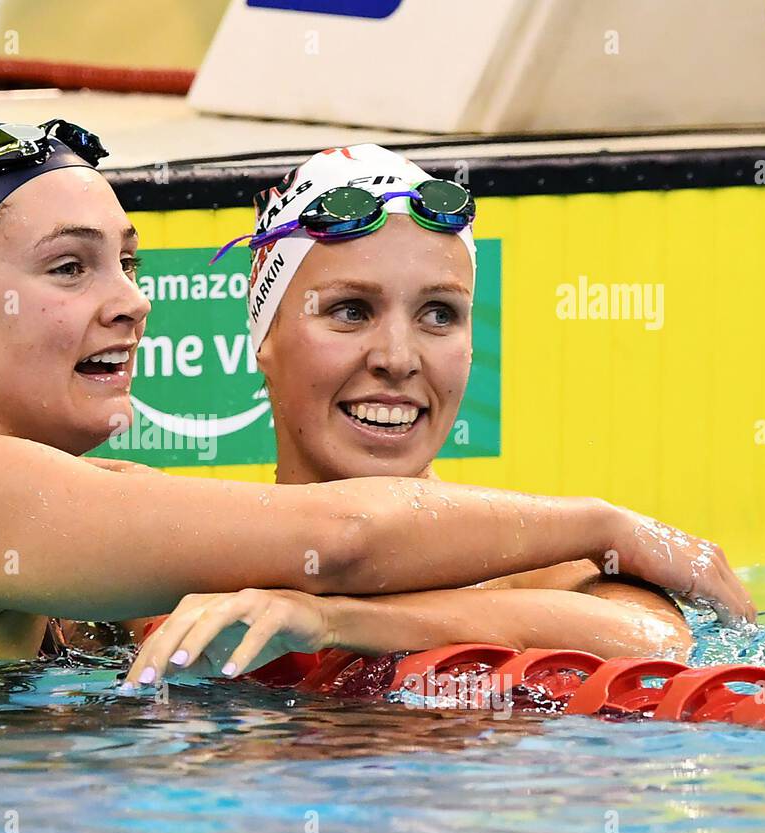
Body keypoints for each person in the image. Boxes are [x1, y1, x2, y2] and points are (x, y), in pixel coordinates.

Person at [0, 122, 753, 679]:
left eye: (129, 264)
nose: (129, 305)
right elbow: (340, 536)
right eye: (69, 269)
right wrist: (610, 516)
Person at [125, 144, 708, 688]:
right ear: (264, 338)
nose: (398, 360)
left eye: (438, 315)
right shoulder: (168, 572)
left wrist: (330, 620)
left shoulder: (544, 574)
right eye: (351, 311)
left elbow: (656, 641)